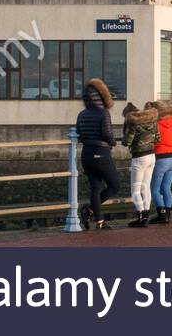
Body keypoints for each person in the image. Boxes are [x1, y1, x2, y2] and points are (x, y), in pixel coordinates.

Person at [76, 78, 120, 230]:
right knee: (115, 185)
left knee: (95, 187)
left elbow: (79, 133)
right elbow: (106, 134)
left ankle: (99, 221)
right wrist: (113, 142)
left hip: (86, 154)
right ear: (102, 96)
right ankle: (89, 210)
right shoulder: (104, 113)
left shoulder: (81, 114)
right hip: (101, 153)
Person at [122, 101, 159, 228]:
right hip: (152, 156)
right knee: (146, 187)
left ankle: (141, 216)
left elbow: (127, 142)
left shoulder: (133, 124)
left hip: (139, 158)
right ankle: (146, 214)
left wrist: (125, 135)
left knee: (135, 190)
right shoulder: (152, 122)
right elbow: (158, 139)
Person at [149, 100, 172, 225]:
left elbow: (154, 141)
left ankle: (161, 215)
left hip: (160, 158)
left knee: (154, 189)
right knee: (166, 188)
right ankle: (168, 213)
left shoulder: (157, 125)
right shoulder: (171, 123)